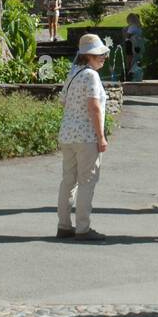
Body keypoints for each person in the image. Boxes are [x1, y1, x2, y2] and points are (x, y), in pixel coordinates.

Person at [56, 33, 110, 241]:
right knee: (87, 181)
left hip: (68, 134)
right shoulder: (91, 76)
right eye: (99, 55)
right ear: (89, 56)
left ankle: (64, 225)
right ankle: (83, 228)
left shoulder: (73, 73)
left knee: (68, 181)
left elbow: (63, 102)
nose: (103, 58)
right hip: (86, 136)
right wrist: (101, 136)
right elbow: (94, 107)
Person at [124, 13, 145, 81]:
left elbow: (127, 36)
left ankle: (129, 73)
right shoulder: (139, 26)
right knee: (136, 58)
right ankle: (135, 72)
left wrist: (125, 32)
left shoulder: (132, 26)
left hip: (130, 43)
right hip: (137, 43)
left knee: (130, 59)